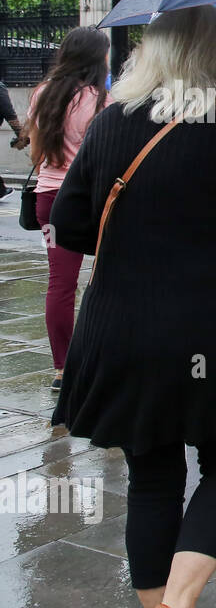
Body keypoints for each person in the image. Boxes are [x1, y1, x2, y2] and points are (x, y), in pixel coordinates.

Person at [49, 5, 216, 608]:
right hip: (200, 328)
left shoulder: (110, 122)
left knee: (152, 471)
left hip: (117, 325)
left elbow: (72, 223)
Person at [25, 27, 109, 393]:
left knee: (60, 284)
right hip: (91, 199)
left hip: (49, 199)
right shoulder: (99, 98)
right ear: (95, 58)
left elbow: (35, 153)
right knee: (107, 280)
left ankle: (62, 368)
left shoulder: (42, 94)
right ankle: (103, 357)